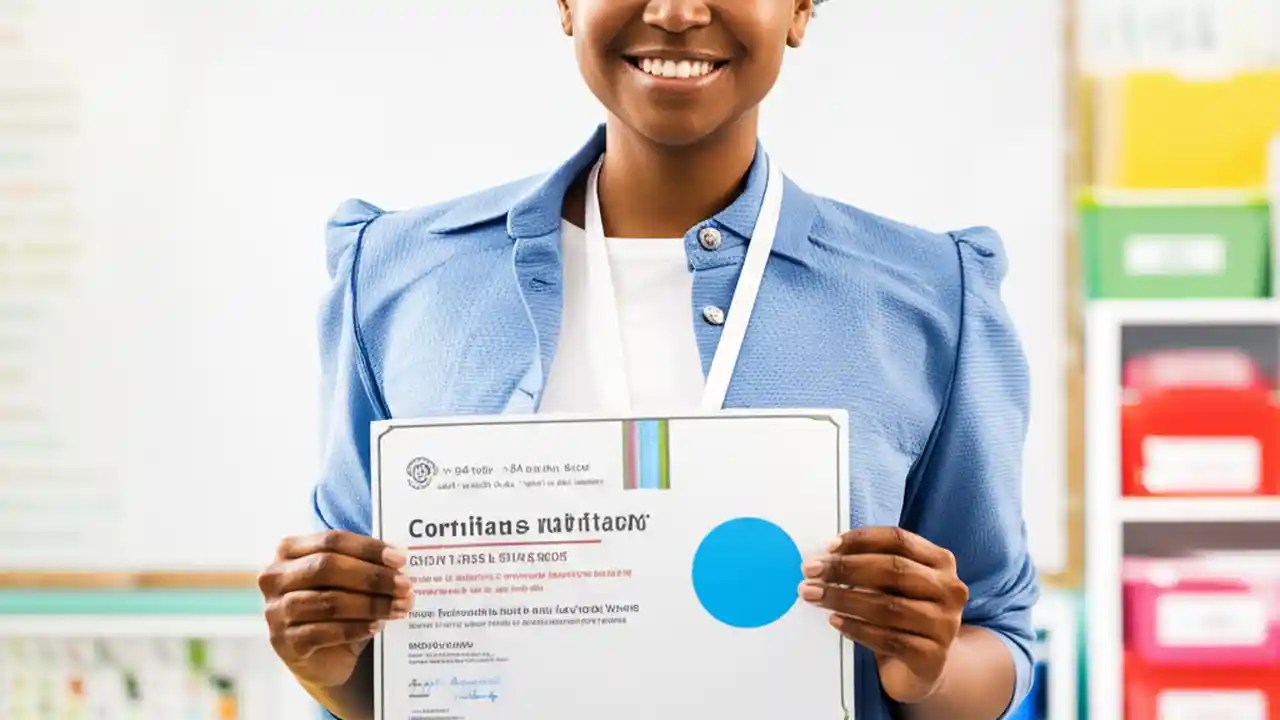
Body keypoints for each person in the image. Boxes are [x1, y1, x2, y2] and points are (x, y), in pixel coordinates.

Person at [256, 0, 1040, 718]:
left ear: (801, 9)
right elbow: (379, 669)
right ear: (566, 5)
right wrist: (323, 666)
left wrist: (927, 669)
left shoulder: (930, 295)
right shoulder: (399, 276)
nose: (675, 11)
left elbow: (997, 632)